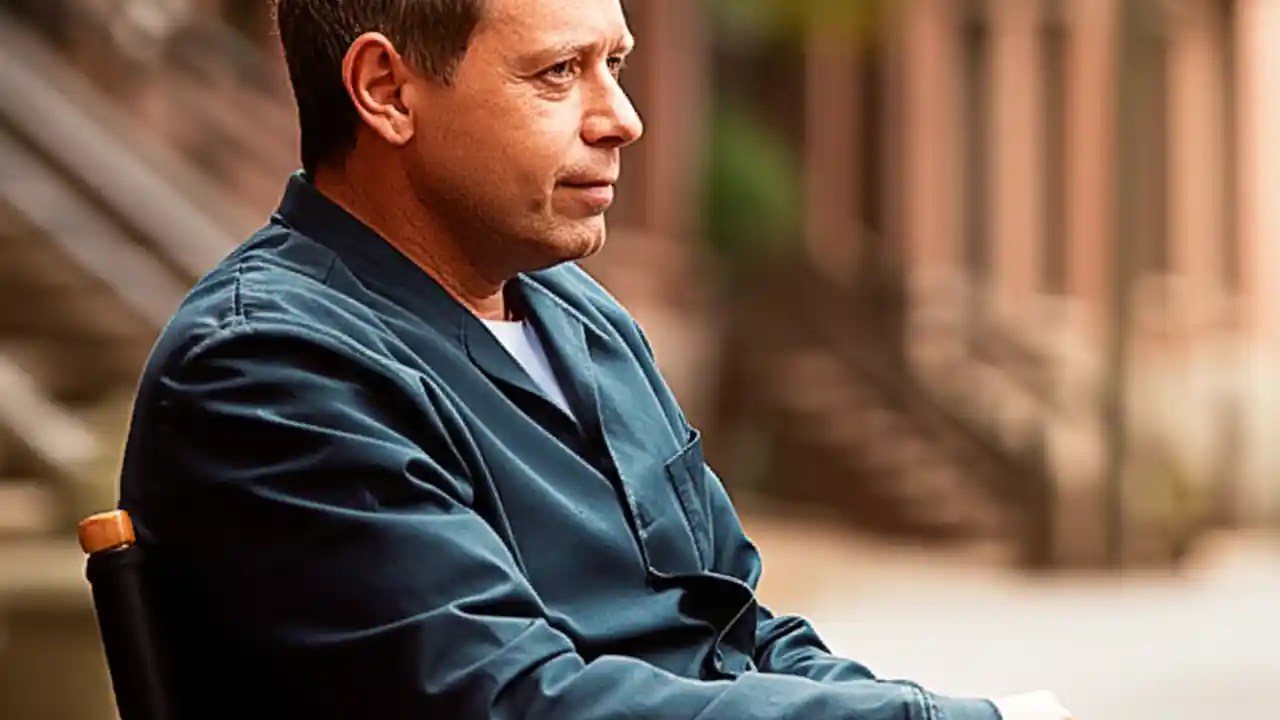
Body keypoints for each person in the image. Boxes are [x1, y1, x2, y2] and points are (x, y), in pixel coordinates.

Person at [117, 0, 1075, 718]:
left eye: (613, 63)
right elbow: (513, 703)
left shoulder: (580, 316)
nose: (622, 117)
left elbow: (737, 632)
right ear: (386, 91)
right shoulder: (268, 369)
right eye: (558, 73)